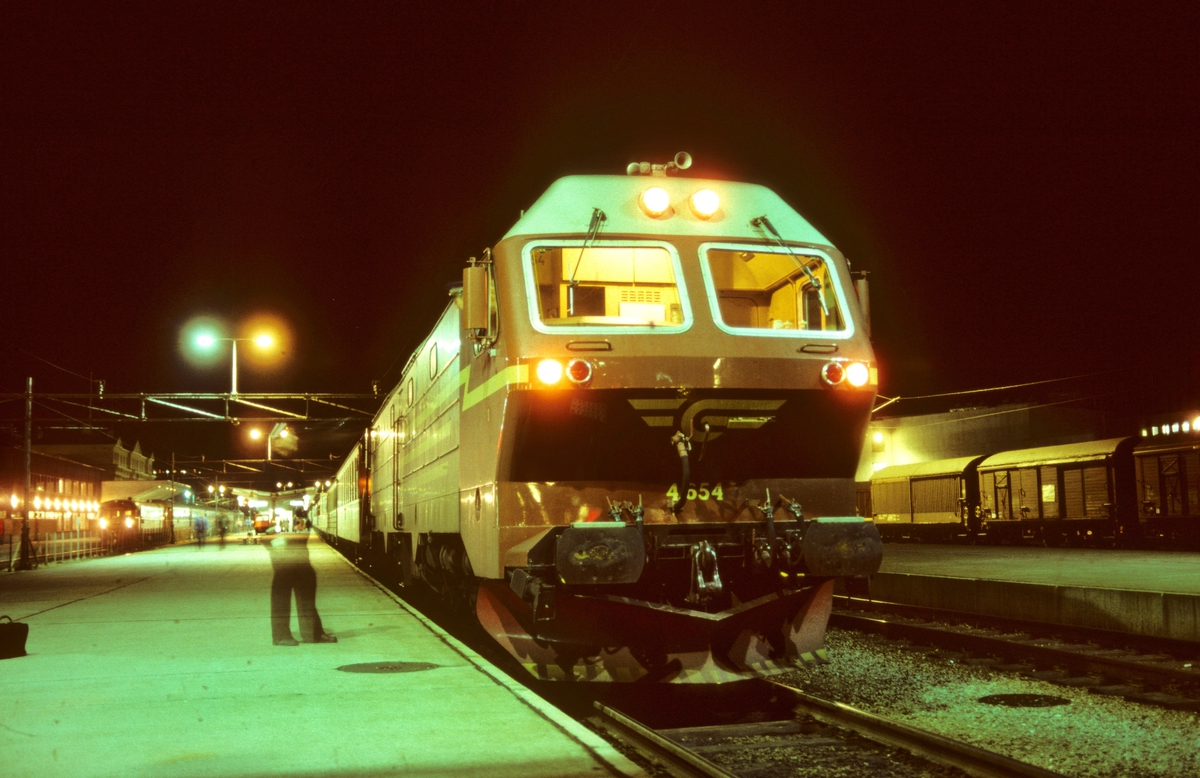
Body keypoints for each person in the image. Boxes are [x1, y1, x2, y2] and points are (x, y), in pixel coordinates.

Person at [260, 526, 336, 646]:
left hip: (300, 566)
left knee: (306, 601)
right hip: (284, 566)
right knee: (282, 602)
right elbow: (269, 539)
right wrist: (274, 533)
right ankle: (281, 636)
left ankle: (313, 634)